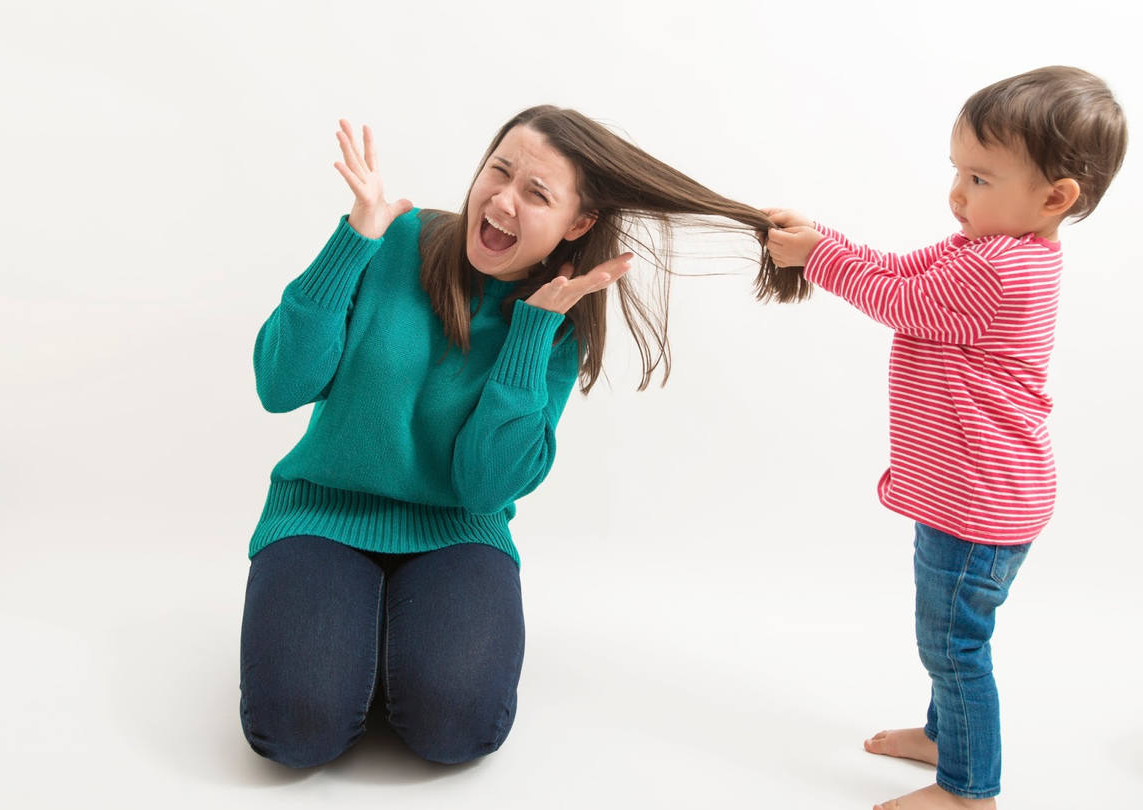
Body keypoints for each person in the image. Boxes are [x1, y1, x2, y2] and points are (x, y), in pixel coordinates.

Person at [240, 105, 804, 769]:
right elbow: (279, 386)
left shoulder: (557, 323)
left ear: (579, 223)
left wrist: (528, 338)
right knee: (294, 732)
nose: (502, 201)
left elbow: (484, 485)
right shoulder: (393, 241)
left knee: (456, 729)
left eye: (537, 194)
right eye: (498, 172)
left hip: (456, 530)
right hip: (321, 515)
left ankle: (382, 647)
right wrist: (353, 240)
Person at [764, 66, 1128, 809]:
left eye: (981, 178)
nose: (958, 194)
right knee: (950, 637)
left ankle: (968, 790)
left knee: (954, 648)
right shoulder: (984, 249)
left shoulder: (1002, 274)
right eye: (958, 172)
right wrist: (820, 238)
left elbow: (899, 300)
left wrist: (818, 260)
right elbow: (899, 269)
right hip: (971, 495)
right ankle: (944, 735)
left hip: (981, 504)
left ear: (1055, 198)